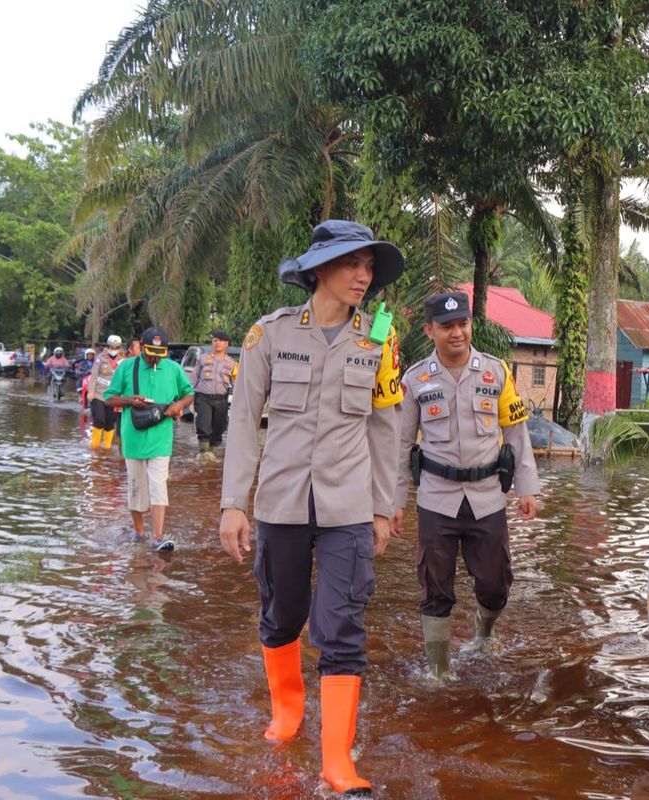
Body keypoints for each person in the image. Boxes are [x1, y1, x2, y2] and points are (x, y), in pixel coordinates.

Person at [218, 220, 404, 797]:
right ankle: (287, 711)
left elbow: (386, 428)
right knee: (282, 614)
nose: (363, 276)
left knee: (342, 625)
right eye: (353, 264)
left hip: (349, 506)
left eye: (369, 267)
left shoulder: (378, 341)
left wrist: (384, 507)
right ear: (320, 269)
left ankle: (337, 763)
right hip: (281, 502)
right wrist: (233, 504)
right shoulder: (268, 335)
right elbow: (243, 422)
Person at [392, 291, 540, 679]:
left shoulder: (497, 373)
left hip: (487, 498)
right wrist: (394, 503)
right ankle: (438, 669)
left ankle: (484, 631)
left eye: (463, 323)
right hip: (436, 499)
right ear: (430, 330)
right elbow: (400, 445)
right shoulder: (415, 380)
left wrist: (526, 487)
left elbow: (516, 433)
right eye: (447, 326)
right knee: (434, 586)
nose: (457, 332)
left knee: (496, 583)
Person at [104, 327, 195, 552]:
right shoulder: (126, 367)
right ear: (142, 347)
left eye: (159, 354)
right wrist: (130, 400)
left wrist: (178, 405)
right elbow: (108, 398)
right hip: (133, 438)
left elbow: (189, 393)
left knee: (158, 485)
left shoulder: (173, 369)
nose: (155, 359)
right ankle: (139, 532)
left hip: (161, 438)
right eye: (151, 354)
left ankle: (158, 537)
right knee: (136, 488)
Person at [188, 330, 238, 457]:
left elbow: (237, 384)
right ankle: (204, 455)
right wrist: (187, 397)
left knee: (218, 429)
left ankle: (213, 457)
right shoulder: (203, 359)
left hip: (221, 400)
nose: (217, 343)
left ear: (226, 344)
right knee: (203, 426)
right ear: (212, 342)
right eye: (215, 340)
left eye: (221, 341)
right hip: (203, 398)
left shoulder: (232, 363)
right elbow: (193, 380)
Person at [87, 335, 125, 450]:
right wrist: (91, 391)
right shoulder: (100, 358)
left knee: (110, 422)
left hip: (113, 397)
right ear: (107, 347)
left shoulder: (123, 361)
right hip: (98, 394)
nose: (114, 350)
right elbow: (94, 376)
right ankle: (95, 447)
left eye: (116, 347)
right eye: (111, 347)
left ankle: (107, 448)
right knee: (99, 420)